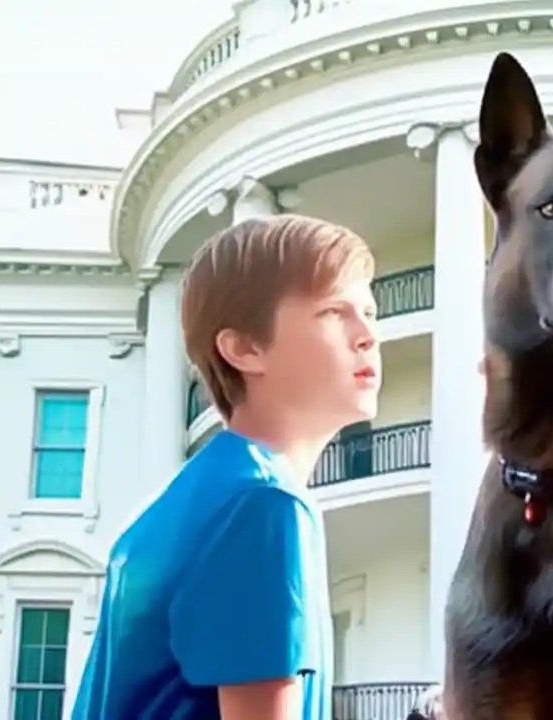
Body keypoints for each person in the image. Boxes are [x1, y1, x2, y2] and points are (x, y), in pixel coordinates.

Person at [72, 215, 381, 720]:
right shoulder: (261, 505)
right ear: (244, 348)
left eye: (369, 311)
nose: (367, 333)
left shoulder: (187, 506)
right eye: (332, 311)